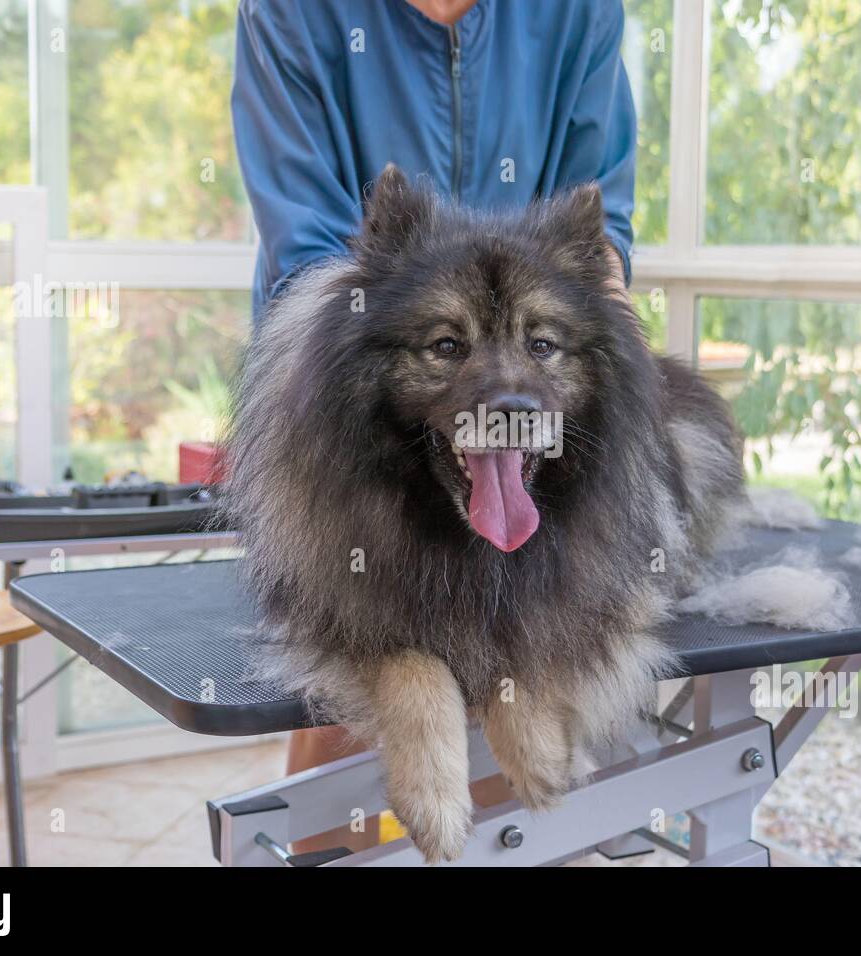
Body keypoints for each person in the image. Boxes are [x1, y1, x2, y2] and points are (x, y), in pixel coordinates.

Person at [231, 0, 637, 853]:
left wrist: (573, 332)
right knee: (347, 642)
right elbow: (311, 254)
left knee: (515, 724)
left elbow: (600, 228)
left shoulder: (579, 13)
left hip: (537, 353)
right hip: (351, 405)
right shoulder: (293, 14)